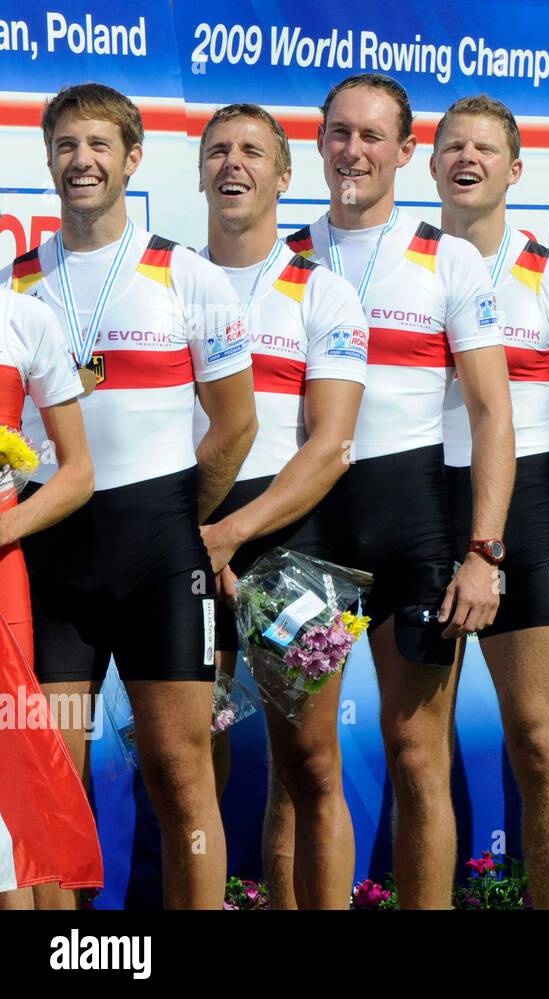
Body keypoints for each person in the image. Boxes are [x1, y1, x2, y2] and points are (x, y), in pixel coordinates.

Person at [0, 83, 257, 909]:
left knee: (182, 779)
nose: (82, 161)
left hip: (159, 556)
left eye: (100, 146)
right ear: (46, 161)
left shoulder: (186, 273)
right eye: (67, 146)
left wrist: (180, 523)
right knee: (51, 782)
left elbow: (236, 425)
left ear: (133, 159)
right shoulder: (16, 287)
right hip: (51, 558)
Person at [284, 73, 513, 908]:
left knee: (419, 756)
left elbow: (493, 414)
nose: (354, 150)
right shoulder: (288, 254)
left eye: (373, 136)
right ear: (317, 143)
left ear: (406, 152)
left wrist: (485, 550)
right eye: (339, 133)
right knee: (300, 766)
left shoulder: (446, 257)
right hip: (305, 532)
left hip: (413, 525)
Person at [431, 94, 549, 908]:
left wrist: (536, 526)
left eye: (485, 149)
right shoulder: (401, 260)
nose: (466, 159)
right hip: (419, 505)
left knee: (542, 743)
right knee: (416, 748)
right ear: (431, 162)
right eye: (453, 146)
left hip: (527, 514)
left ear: (515, 169)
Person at [195, 103, 368, 909]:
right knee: (191, 758)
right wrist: (199, 532)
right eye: (219, 150)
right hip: (185, 532)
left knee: (310, 763)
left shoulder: (323, 292)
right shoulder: (169, 282)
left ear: (283, 174)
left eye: (252, 152)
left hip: (288, 535)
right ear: (199, 171)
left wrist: (233, 533)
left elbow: (331, 446)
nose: (234, 165)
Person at [0, 284, 95, 911]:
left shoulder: (23, 317)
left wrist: (3, 527)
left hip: (0, 570)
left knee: (12, 763)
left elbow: (78, 471)